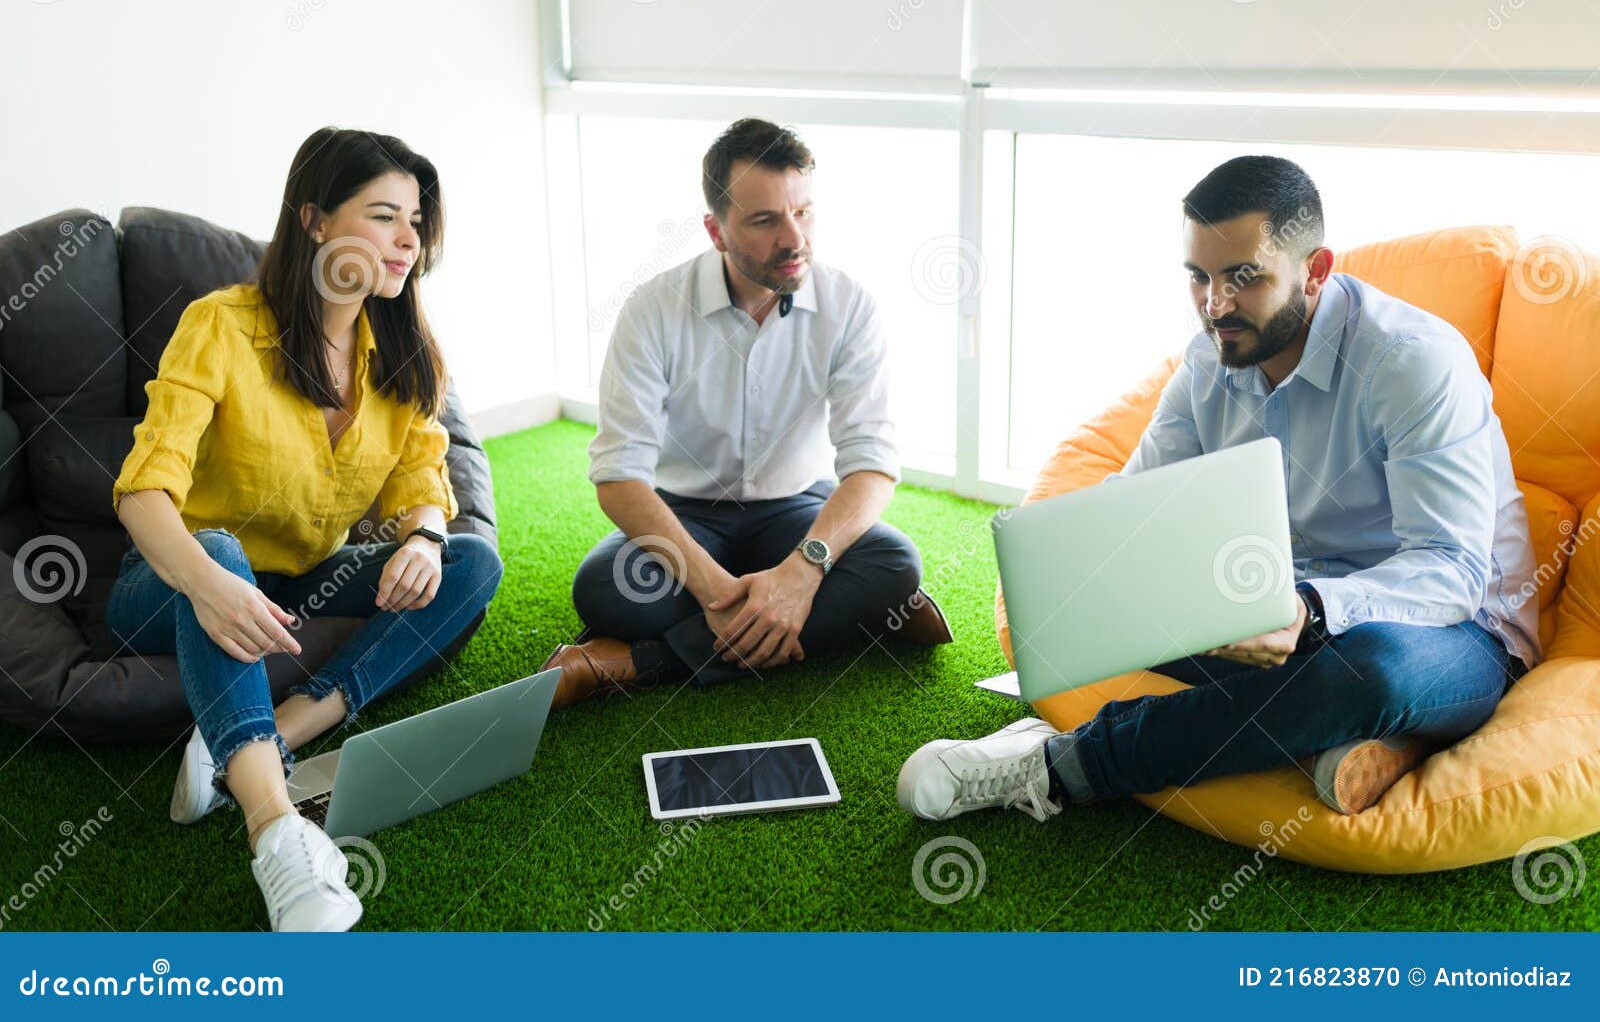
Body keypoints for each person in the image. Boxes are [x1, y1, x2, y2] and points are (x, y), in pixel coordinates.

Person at [898, 155, 1539, 824]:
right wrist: (1089, 572)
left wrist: (1309, 608)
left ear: (1315, 271)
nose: (1215, 304)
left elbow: (1452, 570)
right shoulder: (1209, 359)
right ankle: (1348, 733)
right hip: (1280, 609)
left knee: (1373, 673)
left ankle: (1059, 764)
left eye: (1244, 277)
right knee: (1129, 610)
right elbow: (1134, 509)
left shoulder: (1411, 362)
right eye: (1199, 276)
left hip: (1457, 633)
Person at [109, 128, 504, 931]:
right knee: (220, 548)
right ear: (314, 220)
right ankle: (277, 833)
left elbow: (424, 472)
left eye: (416, 221)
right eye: (384, 215)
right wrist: (209, 583)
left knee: (471, 562)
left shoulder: (403, 349)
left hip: (300, 581)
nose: (408, 239)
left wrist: (424, 537)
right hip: (172, 580)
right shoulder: (221, 326)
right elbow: (143, 491)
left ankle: (283, 729)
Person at [544, 117, 949, 708]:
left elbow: (872, 465)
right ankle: (849, 618)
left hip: (796, 510)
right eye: (765, 221)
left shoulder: (849, 305)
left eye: (803, 212)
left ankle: (627, 663)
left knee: (894, 563)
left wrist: (802, 573)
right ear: (717, 231)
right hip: (685, 513)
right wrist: (713, 591)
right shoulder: (652, 310)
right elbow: (619, 477)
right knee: (606, 589)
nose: (794, 238)